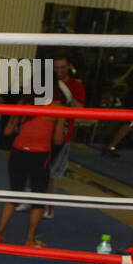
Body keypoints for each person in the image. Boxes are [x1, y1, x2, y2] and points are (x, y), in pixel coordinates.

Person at [0, 96, 66, 246]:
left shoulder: (23, 103)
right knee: (38, 199)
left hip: (18, 152)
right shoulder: (58, 107)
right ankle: (30, 240)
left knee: (14, 194)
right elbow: (58, 140)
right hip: (40, 155)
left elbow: (7, 131)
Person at [44, 53, 85, 219]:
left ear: (69, 66)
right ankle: (29, 198)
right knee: (35, 168)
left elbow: (81, 109)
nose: (59, 70)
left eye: (62, 67)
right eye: (56, 67)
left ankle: (49, 206)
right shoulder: (46, 82)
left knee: (55, 173)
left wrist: (69, 97)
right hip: (44, 132)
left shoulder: (76, 85)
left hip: (64, 135)